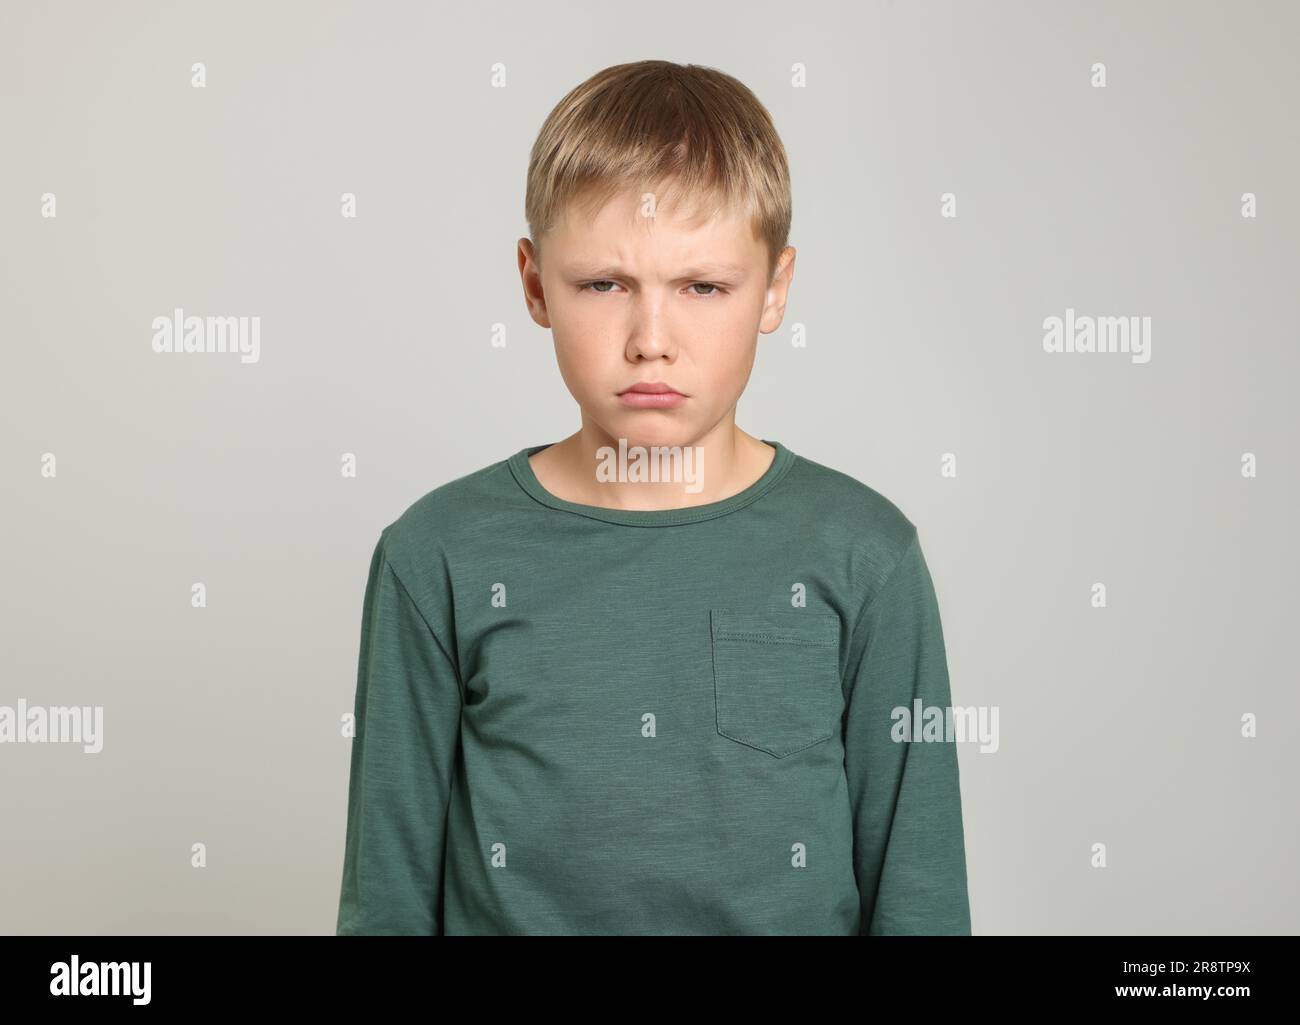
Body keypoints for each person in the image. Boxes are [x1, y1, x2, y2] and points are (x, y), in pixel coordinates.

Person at [335, 59, 971, 935]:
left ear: (775, 289)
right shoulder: (436, 556)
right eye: (604, 284)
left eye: (703, 287)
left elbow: (920, 894)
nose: (651, 341)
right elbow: (388, 901)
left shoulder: (866, 556)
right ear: (533, 285)